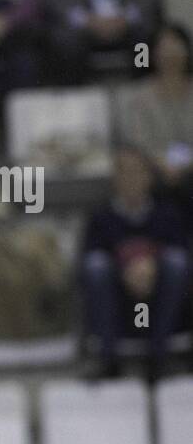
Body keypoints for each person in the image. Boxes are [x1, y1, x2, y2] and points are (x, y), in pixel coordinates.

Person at [80, 146, 189, 382]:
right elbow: (90, 257)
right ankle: (108, 358)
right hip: (120, 301)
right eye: (124, 172)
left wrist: (150, 267)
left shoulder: (167, 214)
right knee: (95, 267)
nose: (131, 180)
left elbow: (179, 249)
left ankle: (158, 357)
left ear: (149, 177)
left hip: (154, 302)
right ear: (114, 179)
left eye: (136, 172)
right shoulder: (101, 217)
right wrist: (126, 270)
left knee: (177, 263)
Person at [118, 23, 193, 207]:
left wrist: (185, 165)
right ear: (152, 54)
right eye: (164, 48)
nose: (170, 54)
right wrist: (164, 164)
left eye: (176, 46)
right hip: (155, 169)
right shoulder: (139, 97)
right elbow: (138, 140)